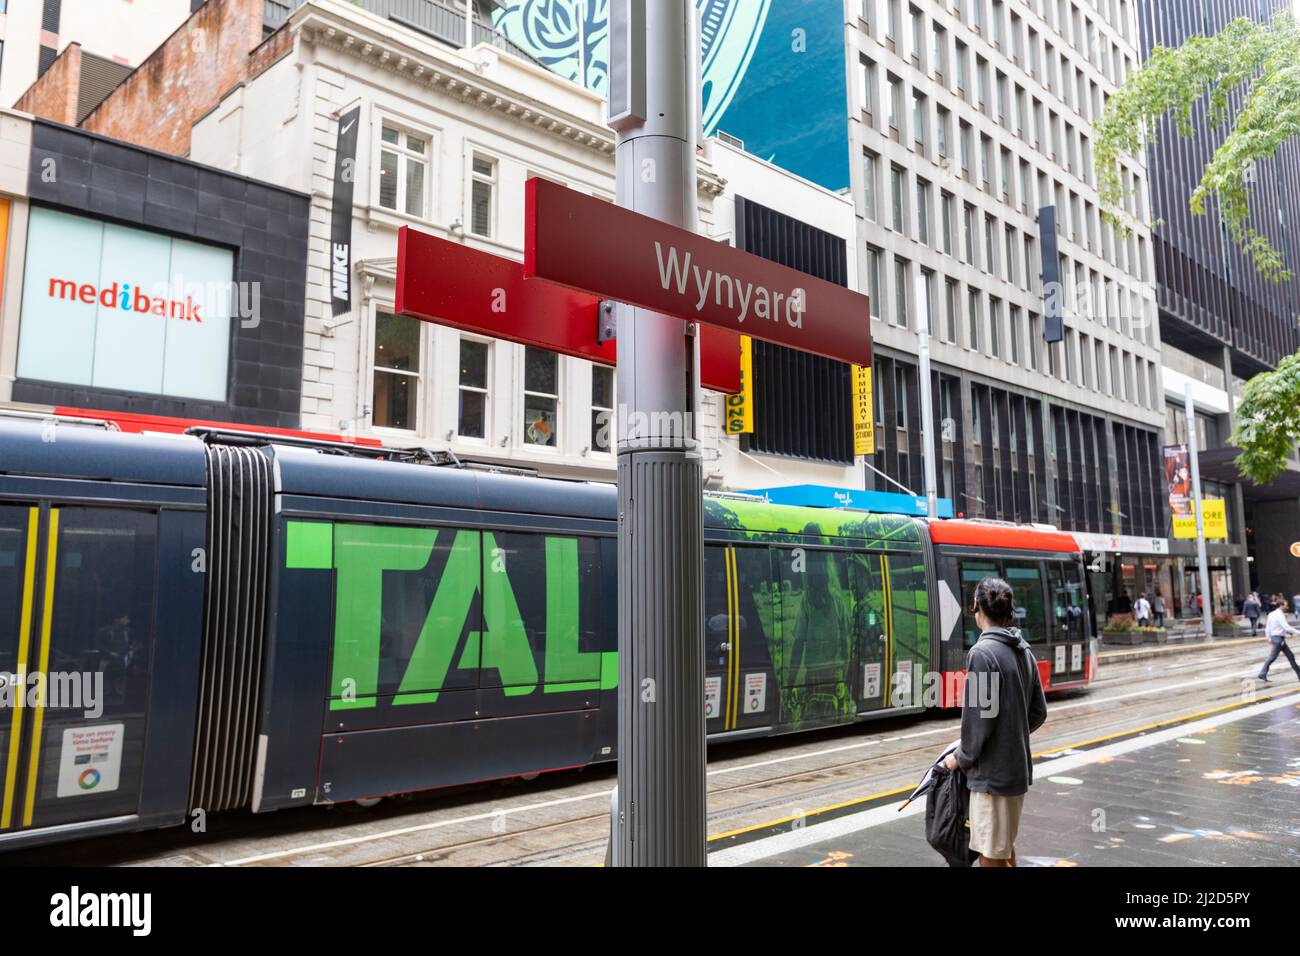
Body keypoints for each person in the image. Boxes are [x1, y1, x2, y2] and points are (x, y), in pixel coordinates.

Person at [943, 577, 1047, 867]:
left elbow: (978, 721)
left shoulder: (981, 653)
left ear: (975, 606)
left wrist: (959, 758)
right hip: (1014, 773)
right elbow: (1038, 711)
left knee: (991, 858)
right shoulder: (1022, 648)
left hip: (992, 779)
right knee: (1004, 848)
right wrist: (1011, 735)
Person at [1258, 594, 1300, 682]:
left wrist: (1269, 639)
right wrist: (1298, 632)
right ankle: (1262, 673)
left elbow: (1267, 628)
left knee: (1290, 656)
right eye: (1286, 605)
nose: (1287, 607)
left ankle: (1299, 674)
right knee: (1272, 657)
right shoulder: (1280, 615)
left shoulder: (1271, 614)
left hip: (1277, 638)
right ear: (1281, 605)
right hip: (1278, 639)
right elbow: (1286, 627)